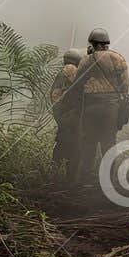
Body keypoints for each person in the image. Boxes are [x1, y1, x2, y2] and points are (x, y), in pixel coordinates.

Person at [63, 28, 129, 183]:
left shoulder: (86, 60)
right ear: (106, 43)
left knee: (89, 142)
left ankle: (86, 177)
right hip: (111, 106)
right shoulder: (118, 58)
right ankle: (110, 178)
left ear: (92, 43)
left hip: (91, 106)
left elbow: (77, 85)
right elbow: (125, 86)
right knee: (109, 141)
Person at [49, 47, 84, 175]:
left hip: (62, 116)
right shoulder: (72, 70)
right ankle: (70, 176)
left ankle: (53, 173)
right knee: (75, 145)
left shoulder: (61, 73)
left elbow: (54, 96)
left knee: (61, 144)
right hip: (71, 115)